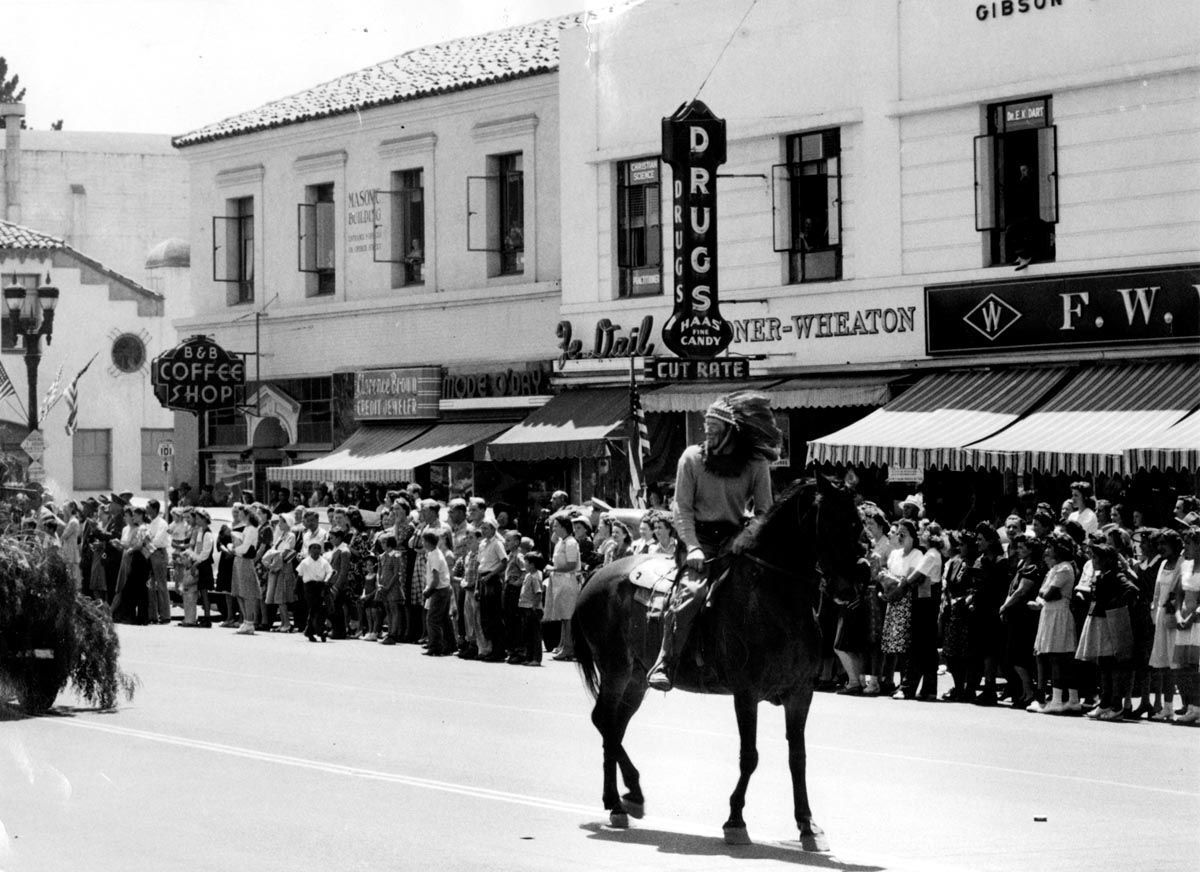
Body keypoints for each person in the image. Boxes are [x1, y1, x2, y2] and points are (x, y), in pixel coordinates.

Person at [647, 391, 779, 692]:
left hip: (737, 539)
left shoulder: (756, 463)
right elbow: (681, 507)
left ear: (732, 431)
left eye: (715, 427)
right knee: (693, 592)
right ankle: (665, 660)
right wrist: (692, 546)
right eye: (706, 425)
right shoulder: (691, 458)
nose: (707, 431)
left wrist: (746, 539)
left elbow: (764, 512)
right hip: (698, 540)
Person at [1030, 533, 1080, 715]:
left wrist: (1046, 592)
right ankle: (1071, 699)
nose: (1048, 550)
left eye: (1051, 547)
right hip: (1050, 613)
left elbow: (1049, 594)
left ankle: (1059, 700)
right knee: (1054, 655)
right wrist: (1046, 592)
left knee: (1058, 656)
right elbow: (1044, 592)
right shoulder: (1055, 568)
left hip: (1059, 614)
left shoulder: (1064, 568)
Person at [545, 515, 581, 661]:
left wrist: (553, 569)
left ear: (563, 527)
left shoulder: (571, 543)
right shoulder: (561, 541)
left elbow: (571, 565)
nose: (553, 529)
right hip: (559, 582)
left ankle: (568, 648)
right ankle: (563, 645)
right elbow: (553, 537)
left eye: (556, 526)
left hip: (567, 581)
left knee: (568, 616)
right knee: (563, 616)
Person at [422, 530, 453, 656]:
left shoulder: (435, 556)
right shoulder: (434, 553)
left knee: (432, 619)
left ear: (428, 542)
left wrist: (428, 591)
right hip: (444, 589)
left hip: (439, 590)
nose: (423, 543)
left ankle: (435, 646)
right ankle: (450, 645)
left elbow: (436, 579)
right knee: (444, 619)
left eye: (424, 541)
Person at [515, 551, 547, 666]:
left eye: (526, 563)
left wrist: (534, 606)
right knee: (527, 635)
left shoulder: (535, 577)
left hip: (532, 609)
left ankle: (536, 659)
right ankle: (529, 657)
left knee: (535, 635)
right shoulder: (528, 575)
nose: (525, 565)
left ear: (532, 564)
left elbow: (538, 593)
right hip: (525, 607)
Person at [297, 541, 333, 643]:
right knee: (314, 609)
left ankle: (312, 630)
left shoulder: (324, 562)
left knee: (320, 609)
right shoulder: (305, 562)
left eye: (318, 548)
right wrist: (297, 590)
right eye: (314, 548)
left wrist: (326, 581)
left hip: (321, 586)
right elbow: (300, 576)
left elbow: (330, 572)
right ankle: (319, 630)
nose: (316, 550)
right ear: (309, 551)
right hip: (309, 587)